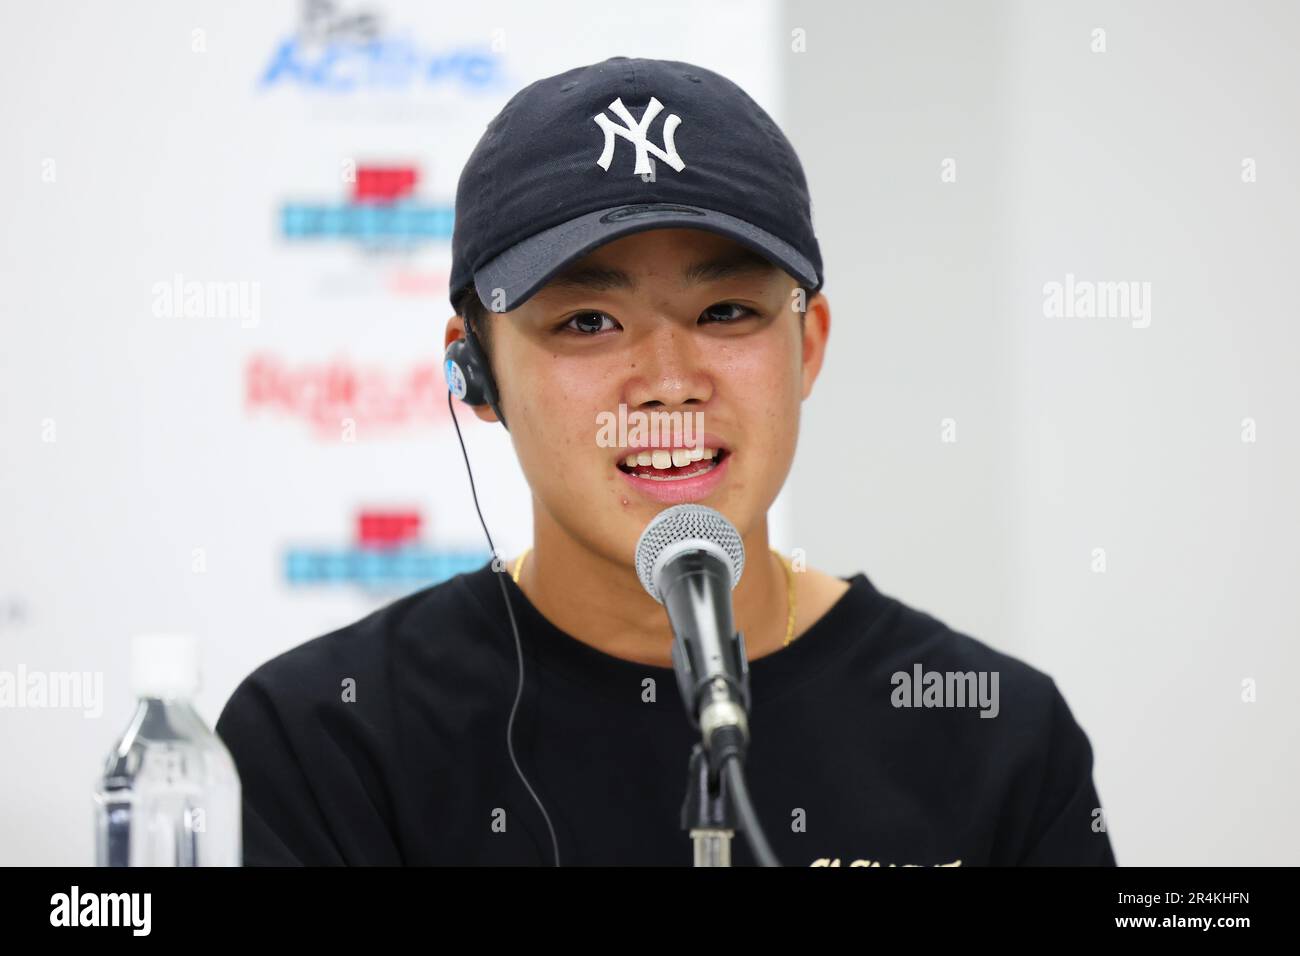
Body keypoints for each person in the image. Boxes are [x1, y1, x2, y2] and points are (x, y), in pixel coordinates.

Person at [215, 56, 1117, 866]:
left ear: (808, 348)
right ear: (475, 371)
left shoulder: (993, 732)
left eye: (726, 313)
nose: (670, 384)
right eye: (588, 323)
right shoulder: (325, 738)